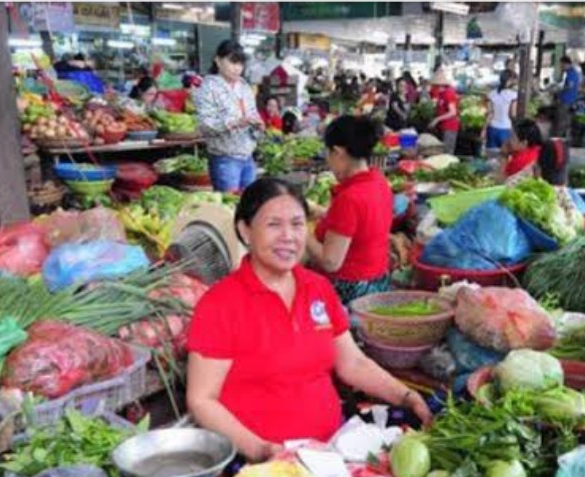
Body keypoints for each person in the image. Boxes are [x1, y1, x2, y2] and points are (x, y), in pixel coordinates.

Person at [185, 178, 432, 462]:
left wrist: (406, 396)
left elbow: (353, 363)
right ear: (245, 230)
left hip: (331, 451)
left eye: (297, 224)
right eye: (274, 224)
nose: (288, 236)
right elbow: (201, 400)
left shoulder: (318, 288)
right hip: (263, 464)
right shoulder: (220, 304)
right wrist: (261, 449)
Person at [306, 115, 393, 305]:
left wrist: (300, 232)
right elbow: (361, 224)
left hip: (350, 290)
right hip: (377, 281)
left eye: (328, 154)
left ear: (338, 152)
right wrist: (323, 212)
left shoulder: (350, 198)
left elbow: (330, 262)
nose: (328, 162)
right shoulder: (379, 182)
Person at [195, 40, 264, 193]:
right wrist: (234, 123)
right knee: (230, 204)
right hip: (225, 159)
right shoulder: (208, 87)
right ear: (218, 60)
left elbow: (253, 113)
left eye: (240, 63)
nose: (237, 68)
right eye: (232, 62)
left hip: (248, 157)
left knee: (249, 203)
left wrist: (258, 125)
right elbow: (204, 125)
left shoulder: (245, 86)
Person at [484, 70, 518, 152]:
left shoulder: (491, 94)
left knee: (491, 156)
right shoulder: (513, 95)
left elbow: (489, 114)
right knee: (505, 156)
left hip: (492, 129)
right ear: (510, 80)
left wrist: (484, 129)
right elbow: (513, 114)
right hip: (505, 129)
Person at [428, 69, 460, 155]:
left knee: (447, 152)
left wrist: (437, 119)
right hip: (443, 126)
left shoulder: (448, 93)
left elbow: (453, 112)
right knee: (442, 151)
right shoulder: (441, 93)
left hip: (450, 127)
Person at [554, 56, 581, 138]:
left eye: (562, 65)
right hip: (570, 100)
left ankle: (559, 139)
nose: (561, 67)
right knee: (567, 122)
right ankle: (565, 138)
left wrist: (559, 89)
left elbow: (570, 85)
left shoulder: (571, 72)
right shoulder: (573, 72)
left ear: (566, 64)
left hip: (566, 101)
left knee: (562, 122)